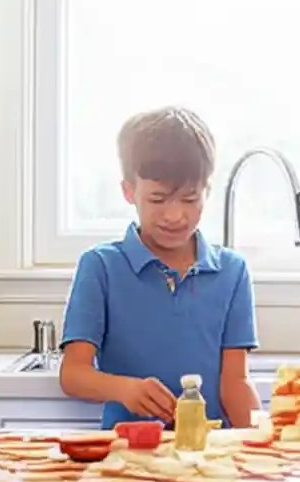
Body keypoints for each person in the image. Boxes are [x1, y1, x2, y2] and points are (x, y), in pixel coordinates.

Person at [59, 107, 262, 430]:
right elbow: (73, 374)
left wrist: (264, 443)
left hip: (211, 454)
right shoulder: (100, 267)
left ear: (207, 191)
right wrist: (125, 389)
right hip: (128, 452)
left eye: (190, 199)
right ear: (129, 191)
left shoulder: (232, 272)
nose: (174, 216)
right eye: (158, 199)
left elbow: (235, 383)